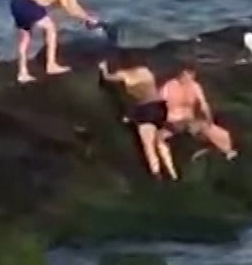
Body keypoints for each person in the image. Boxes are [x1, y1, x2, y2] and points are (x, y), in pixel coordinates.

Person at [98, 58, 237, 179]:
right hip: (175, 122)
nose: (190, 77)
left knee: (220, 133)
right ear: (182, 74)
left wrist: (208, 120)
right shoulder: (169, 86)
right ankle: (170, 173)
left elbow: (204, 106)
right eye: (188, 74)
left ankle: (225, 154)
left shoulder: (194, 86)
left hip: (182, 121)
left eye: (191, 75)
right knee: (162, 139)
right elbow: (162, 103)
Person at [10, 0, 99, 83]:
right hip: (30, 4)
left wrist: (87, 17)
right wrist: (88, 18)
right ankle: (51, 65)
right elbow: (70, 9)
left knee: (25, 37)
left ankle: (22, 73)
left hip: (17, 1)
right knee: (50, 28)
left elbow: (73, 4)